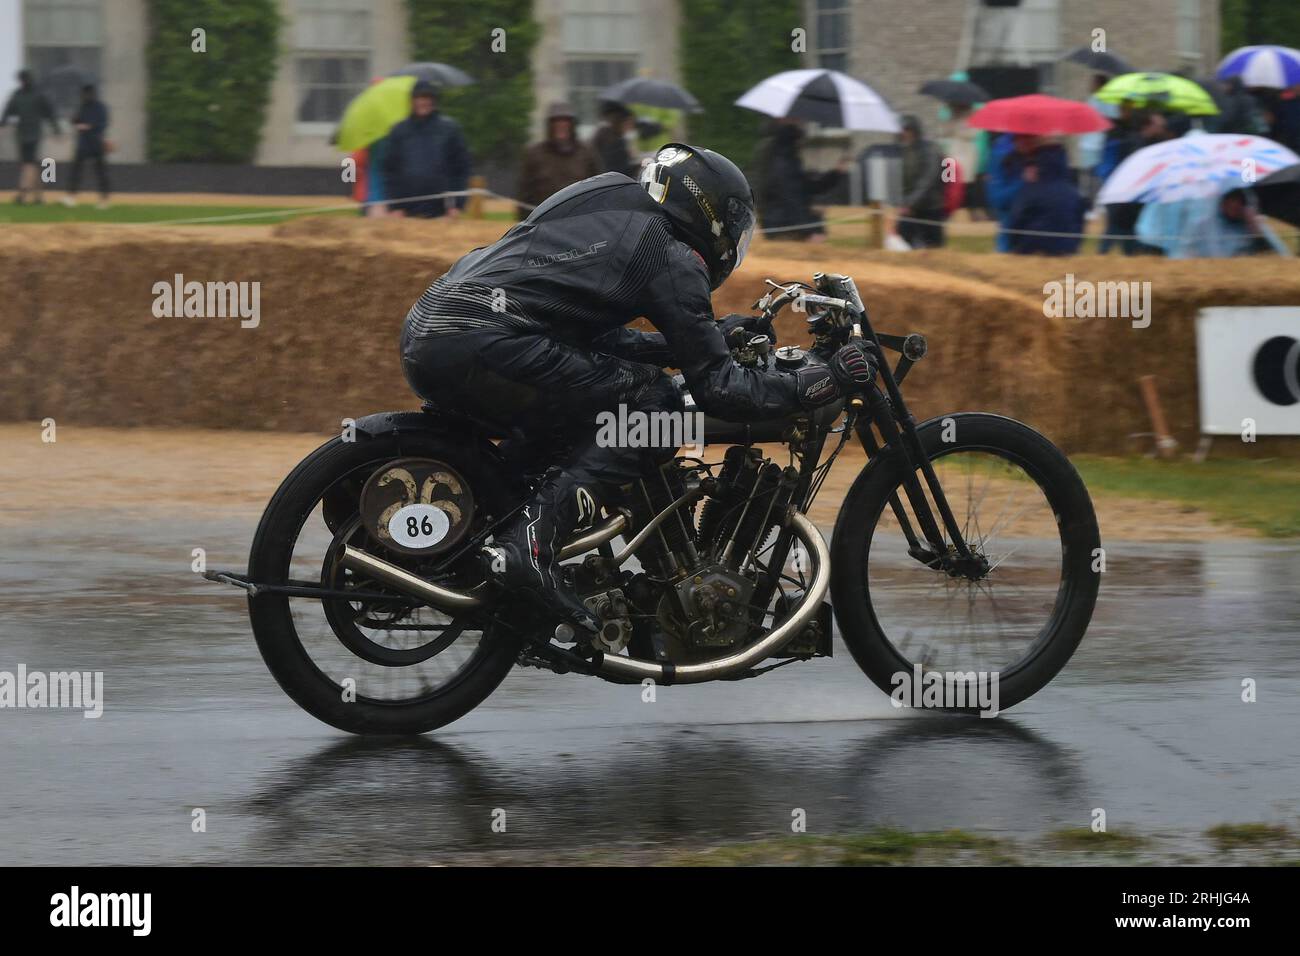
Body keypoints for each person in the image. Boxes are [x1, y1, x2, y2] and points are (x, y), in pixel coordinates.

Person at [398, 144, 875, 634]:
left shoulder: (608, 198)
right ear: (709, 214)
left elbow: (587, 334)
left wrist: (699, 340)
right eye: (733, 226)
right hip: (486, 343)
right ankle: (531, 545)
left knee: (596, 405)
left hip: (436, 333)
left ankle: (506, 525)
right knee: (657, 405)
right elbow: (721, 391)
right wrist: (823, 381)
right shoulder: (673, 254)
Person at [382, 81, 470, 218]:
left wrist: (457, 205)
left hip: (442, 210)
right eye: (419, 98)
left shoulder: (450, 129)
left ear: (434, 101)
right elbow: (391, 171)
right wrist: (395, 206)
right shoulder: (399, 130)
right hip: (406, 210)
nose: (423, 102)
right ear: (412, 101)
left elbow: (461, 169)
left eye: (427, 98)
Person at [751, 118, 846, 241]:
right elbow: (791, 199)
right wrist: (809, 230)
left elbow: (808, 188)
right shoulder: (783, 163)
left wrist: (836, 173)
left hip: (782, 223)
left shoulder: (786, 158)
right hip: (783, 227)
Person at [516, 102, 600, 219]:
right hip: (544, 221)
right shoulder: (534, 154)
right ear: (550, 126)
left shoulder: (586, 153)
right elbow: (524, 194)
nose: (561, 126)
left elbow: (598, 189)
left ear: (572, 125)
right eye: (557, 122)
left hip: (578, 220)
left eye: (565, 122)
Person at [1007, 143, 1085, 255]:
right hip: (1067, 253)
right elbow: (1080, 224)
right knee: (1070, 273)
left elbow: (1015, 221)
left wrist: (1015, 247)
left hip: (1032, 251)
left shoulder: (1031, 190)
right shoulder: (1074, 193)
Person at [1173, 188, 1288, 259]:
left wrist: (1256, 232)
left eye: (1240, 201)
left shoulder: (1253, 225)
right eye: (1231, 200)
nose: (1235, 205)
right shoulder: (1201, 226)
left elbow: (1276, 257)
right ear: (1222, 202)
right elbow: (1185, 256)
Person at [1, 69, 60, 204]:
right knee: (31, 165)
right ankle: (38, 196)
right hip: (22, 134)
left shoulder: (38, 95)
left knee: (28, 164)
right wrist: (2, 124)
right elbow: (8, 111)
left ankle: (22, 193)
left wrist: (56, 129)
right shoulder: (17, 95)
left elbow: (50, 112)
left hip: (34, 134)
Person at [895, 114, 947, 249]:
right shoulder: (905, 150)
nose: (903, 133)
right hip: (912, 207)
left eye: (906, 130)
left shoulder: (929, 150)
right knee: (904, 240)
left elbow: (927, 180)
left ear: (914, 131)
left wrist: (910, 203)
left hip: (930, 206)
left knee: (934, 247)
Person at [986, 133, 1038, 252]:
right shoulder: (1000, 154)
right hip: (1010, 234)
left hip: (1039, 234)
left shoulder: (1046, 158)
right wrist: (1023, 182)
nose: (1026, 141)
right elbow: (997, 200)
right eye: (1022, 137)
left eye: (1029, 137)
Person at [62, 84, 110, 208]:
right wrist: (74, 121)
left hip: (96, 144)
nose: (84, 97)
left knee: (100, 172)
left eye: (86, 94)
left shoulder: (100, 107)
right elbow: (76, 120)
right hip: (83, 144)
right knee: (76, 171)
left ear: (91, 94)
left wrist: (88, 126)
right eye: (83, 94)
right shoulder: (83, 106)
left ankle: (104, 199)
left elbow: (102, 124)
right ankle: (71, 197)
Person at [590, 101, 639, 178]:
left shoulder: (605, 133)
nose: (631, 127)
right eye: (629, 123)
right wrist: (639, 164)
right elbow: (619, 169)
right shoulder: (614, 141)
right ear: (622, 122)